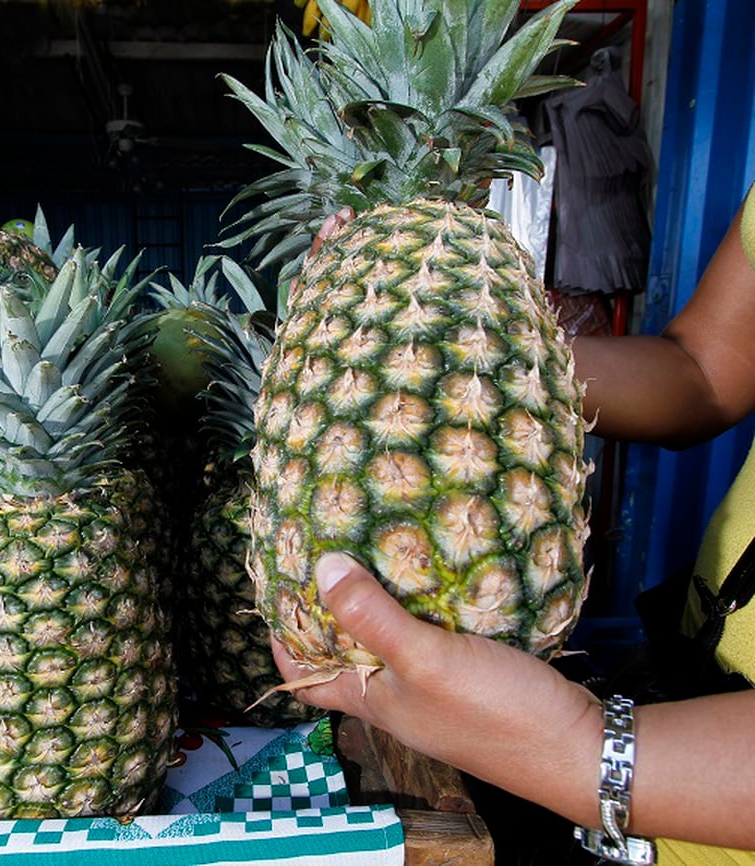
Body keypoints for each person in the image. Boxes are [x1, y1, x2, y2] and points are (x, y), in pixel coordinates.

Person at [273, 187, 755, 861]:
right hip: (671, 710)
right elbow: (703, 372)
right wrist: (457, 333)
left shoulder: (584, 754)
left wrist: (586, 755)